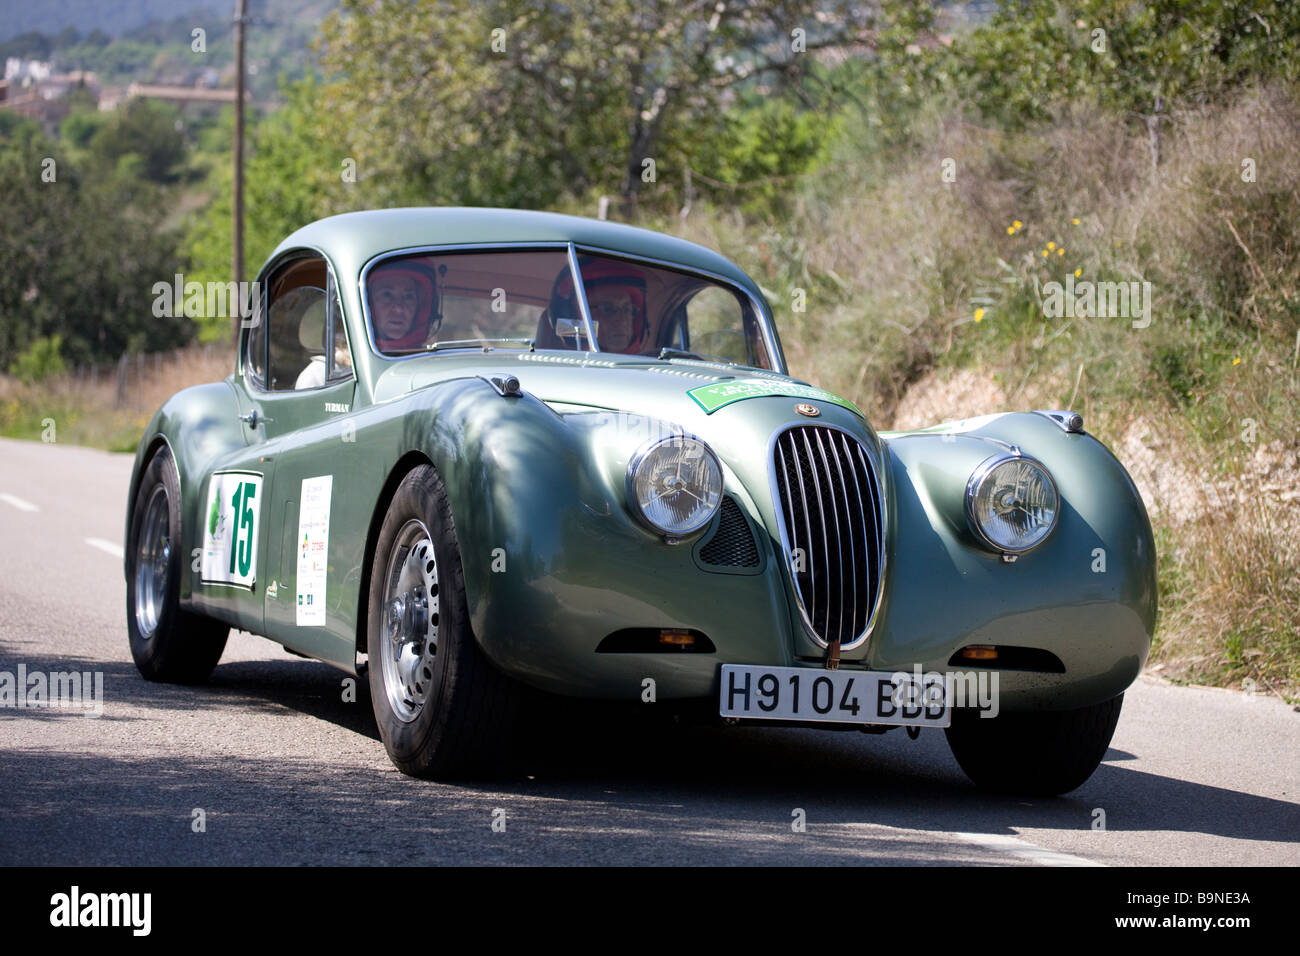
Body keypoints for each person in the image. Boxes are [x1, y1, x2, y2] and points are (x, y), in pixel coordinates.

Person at [549, 259, 651, 354]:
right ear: (574, 317)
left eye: (627, 309)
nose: (622, 320)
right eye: (607, 309)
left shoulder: (653, 364)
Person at [370, 264, 437, 352]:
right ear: (369, 303)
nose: (399, 309)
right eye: (387, 295)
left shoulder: (430, 358)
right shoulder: (354, 357)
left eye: (408, 297)